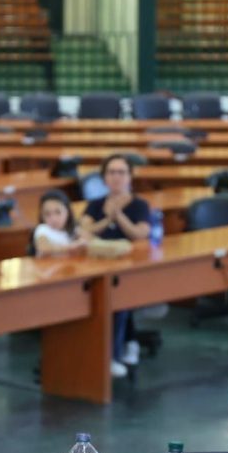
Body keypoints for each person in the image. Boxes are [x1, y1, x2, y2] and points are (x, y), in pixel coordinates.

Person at [80, 153, 151, 378]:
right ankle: (123, 343)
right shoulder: (95, 204)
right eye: (111, 172)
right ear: (104, 178)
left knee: (118, 298)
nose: (116, 177)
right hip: (99, 265)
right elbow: (84, 230)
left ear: (130, 176)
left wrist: (118, 216)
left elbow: (140, 234)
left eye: (121, 172)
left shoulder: (139, 205)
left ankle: (117, 353)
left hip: (132, 268)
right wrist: (107, 219)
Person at [32, 189, 87, 256]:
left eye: (58, 212)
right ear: (41, 215)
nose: (53, 219)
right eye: (47, 214)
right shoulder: (42, 229)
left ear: (68, 212)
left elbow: (89, 241)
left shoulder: (74, 229)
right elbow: (43, 248)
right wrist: (72, 246)